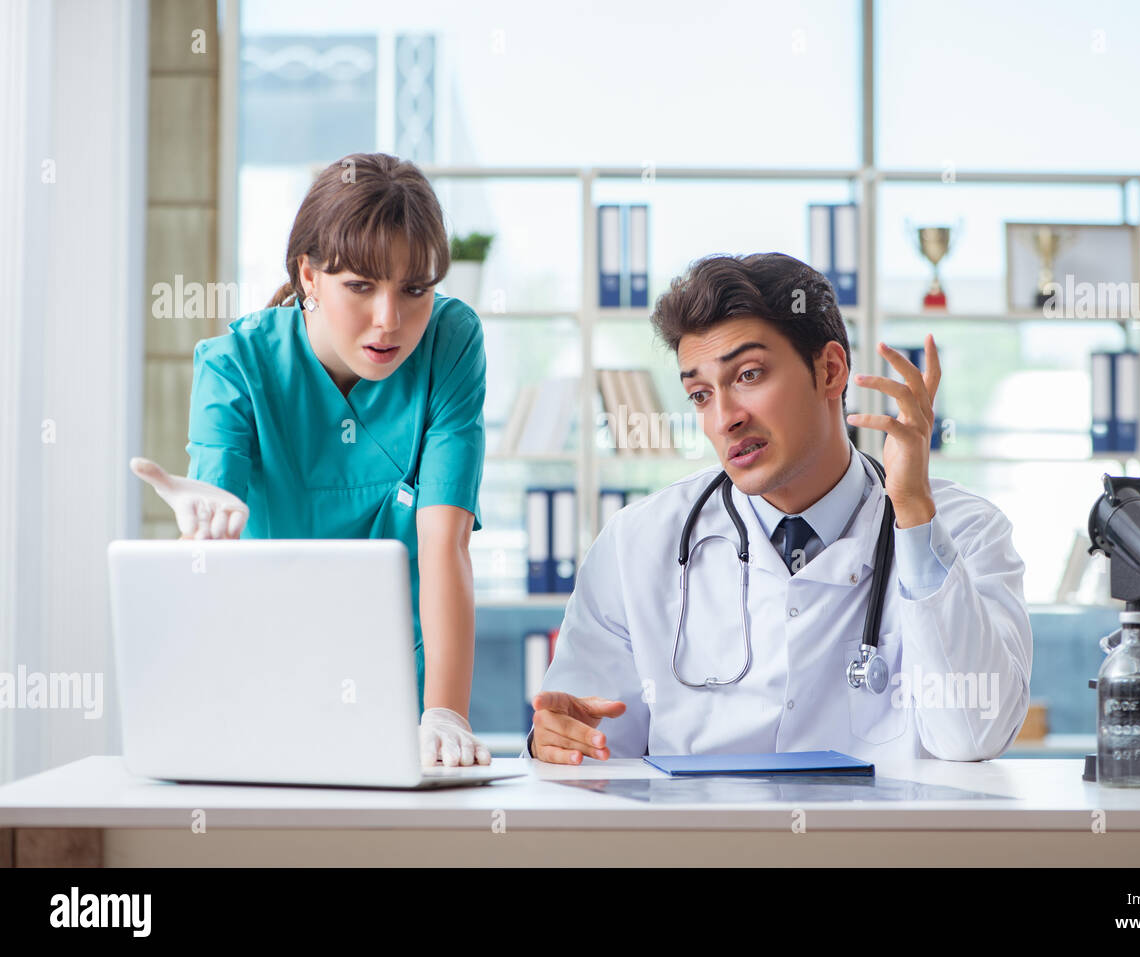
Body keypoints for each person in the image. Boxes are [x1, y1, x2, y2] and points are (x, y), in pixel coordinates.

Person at [528, 252, 1032, 765]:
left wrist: (915, 515)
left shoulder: (965, 530)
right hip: (700, 845)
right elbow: (592, 745)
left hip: (880, 844)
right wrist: (558, 741)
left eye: (748, 375)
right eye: (700, 395)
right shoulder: (636, 543)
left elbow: (974, 736)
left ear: (830, 371)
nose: (725, 419)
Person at [132, 153, 492, 767]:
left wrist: (446, 713)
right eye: (360, 286)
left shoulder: (450, 343)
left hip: (404, 692)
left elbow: (445, 543)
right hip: (261, 681)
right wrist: (200, 532)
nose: (390, 320)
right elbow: (213, 528)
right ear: (309, 275)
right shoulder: (235, 366)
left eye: (414, 290)